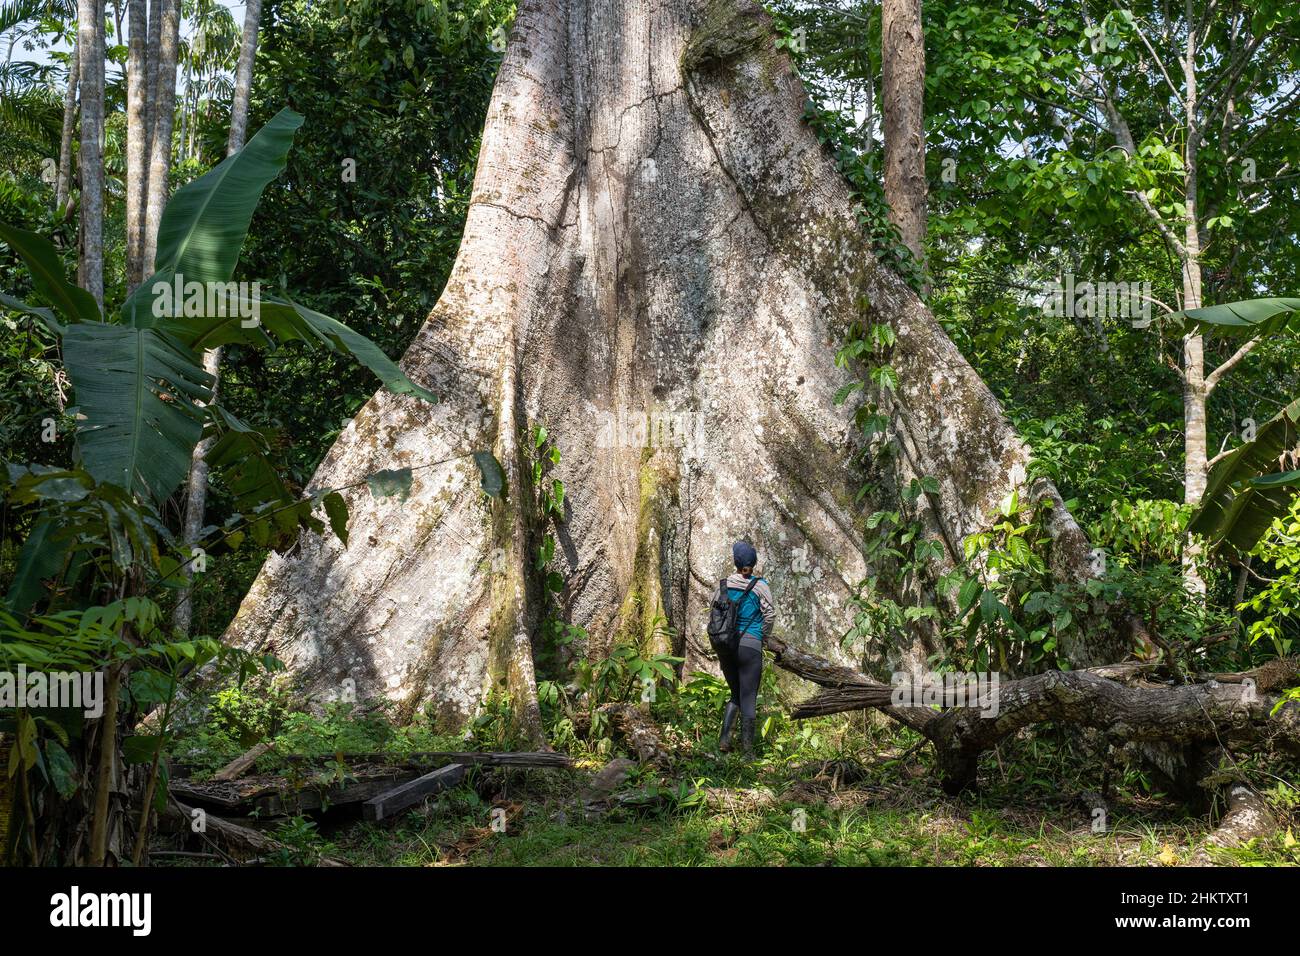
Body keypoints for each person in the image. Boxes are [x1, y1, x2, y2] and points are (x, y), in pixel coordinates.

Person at [717, 540, 775, 758]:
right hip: (750, 645)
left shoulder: (724, 585)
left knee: (735, 694)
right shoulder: (760, 586)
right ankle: (748, 753)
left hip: (726, 648)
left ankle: (724, 740)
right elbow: (769, 614)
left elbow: (715, 615)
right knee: (749, 696)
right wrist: (764, 636)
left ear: (735, 562)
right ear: (754, 563)